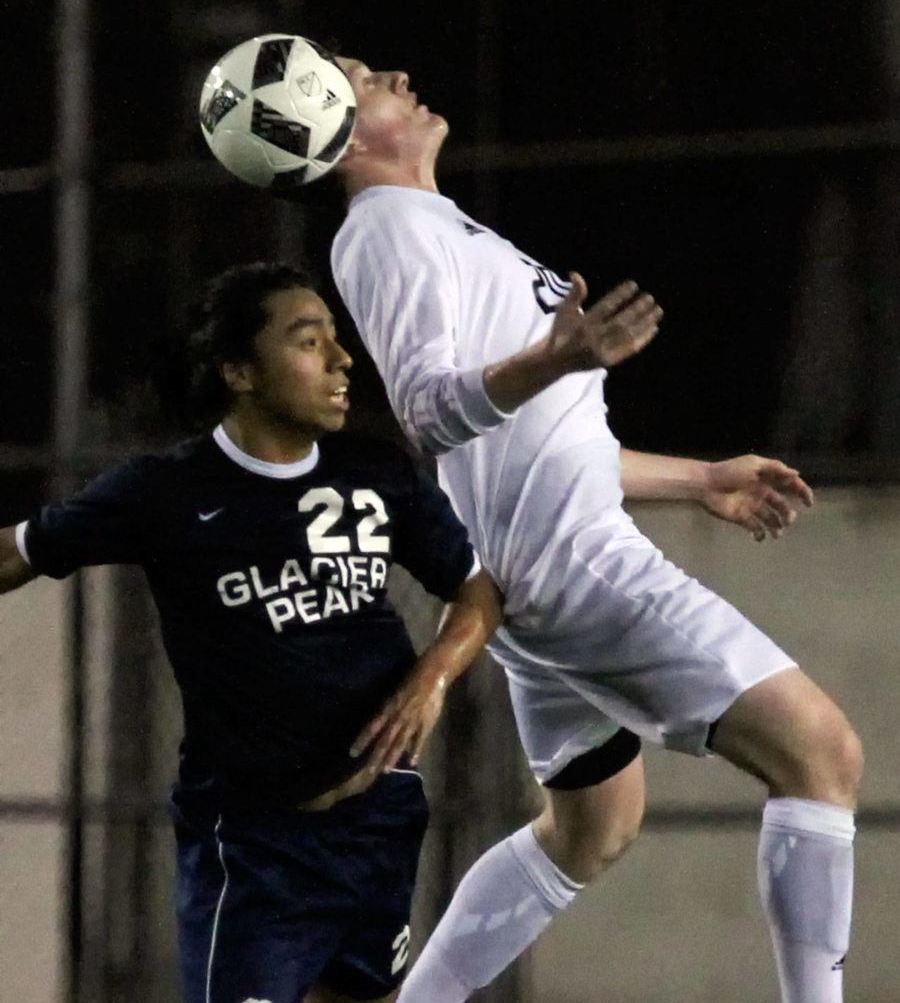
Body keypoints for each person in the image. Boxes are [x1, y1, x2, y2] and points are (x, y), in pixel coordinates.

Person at [322, 56, 863, 1003]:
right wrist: (552, 356)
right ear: (333, 127)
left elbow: (535, 449)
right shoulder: (386, 228)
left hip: (539, 569)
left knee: (591, 828)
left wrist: (698, 477)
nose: (396, 74)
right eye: (364, 77)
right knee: (822, 752)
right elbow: (426, 414)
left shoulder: (431, 225)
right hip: (577, 569)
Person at [0, 262, 504, 1003]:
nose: (341, 360)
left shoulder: (377, 474)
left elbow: (477, 590)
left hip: (377, 826)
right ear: (239, 370)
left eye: (336, 338)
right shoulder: (166, 491)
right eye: (309, 341)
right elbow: (16, 552)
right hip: (254, 847)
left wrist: (433, 678)